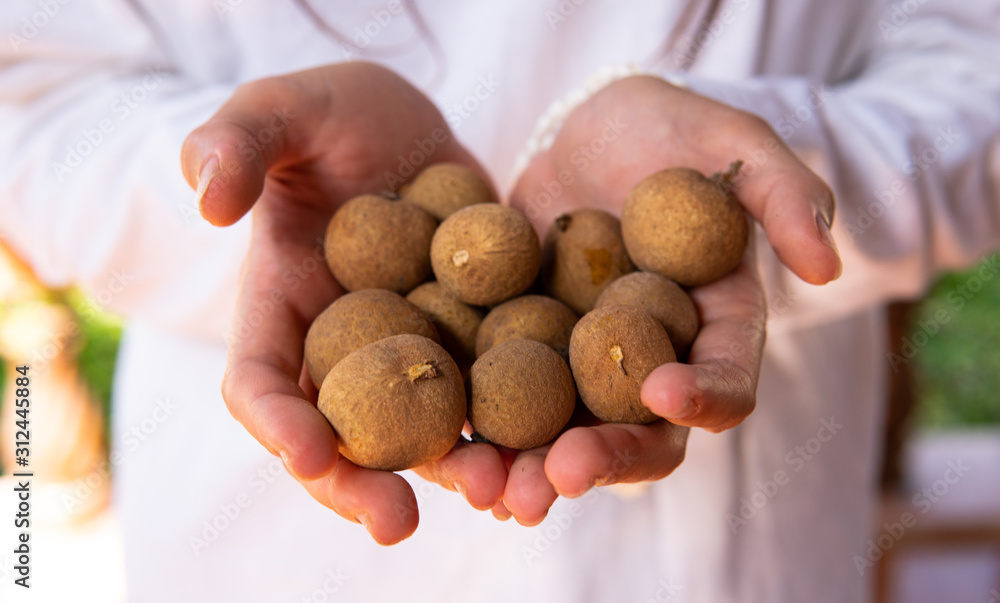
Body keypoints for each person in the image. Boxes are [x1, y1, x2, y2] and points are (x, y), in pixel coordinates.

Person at [2, 1, 998, 601]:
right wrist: (267, 204)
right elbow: (28, 105)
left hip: (740, 510)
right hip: (265, 521)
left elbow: (975, 71)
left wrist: (759, 172)